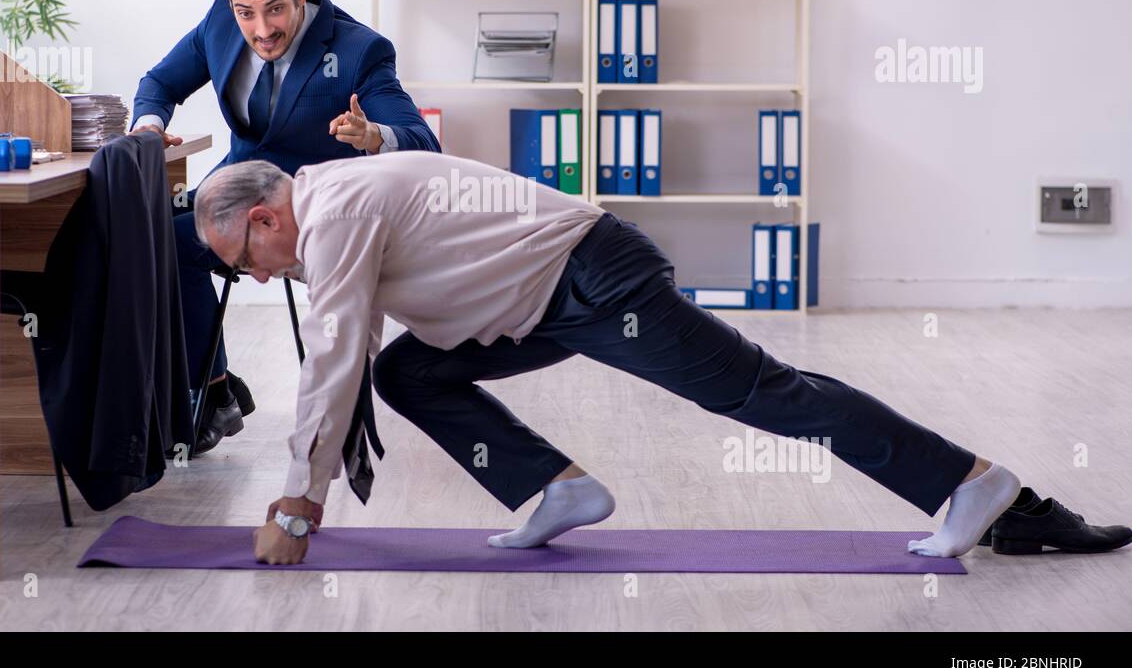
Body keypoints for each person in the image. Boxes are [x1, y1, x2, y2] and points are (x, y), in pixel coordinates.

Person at [192, 151, 1131, 565]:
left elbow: (336, 354)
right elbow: (377, 352)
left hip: (599, 282)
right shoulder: (334, 197)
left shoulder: (334, 214)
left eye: (246, 259)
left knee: (770, 396)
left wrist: (295, 504)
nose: (262, 272)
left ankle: (978, 483)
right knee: (413, 372)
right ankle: (555, 488)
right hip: (539, 302)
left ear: (267, 218)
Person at [129, 0, 440, 454]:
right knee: (144, 225)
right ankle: (208, 390)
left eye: (275, 8)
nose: (262, 29)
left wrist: (372, 136)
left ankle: (218, 395)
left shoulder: (359, 50)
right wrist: (148, 127)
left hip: (305, 221)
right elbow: (160, 82)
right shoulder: (222, 23)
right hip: (233, 195)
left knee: (170, 242)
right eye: (246, 13)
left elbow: (423, 141)